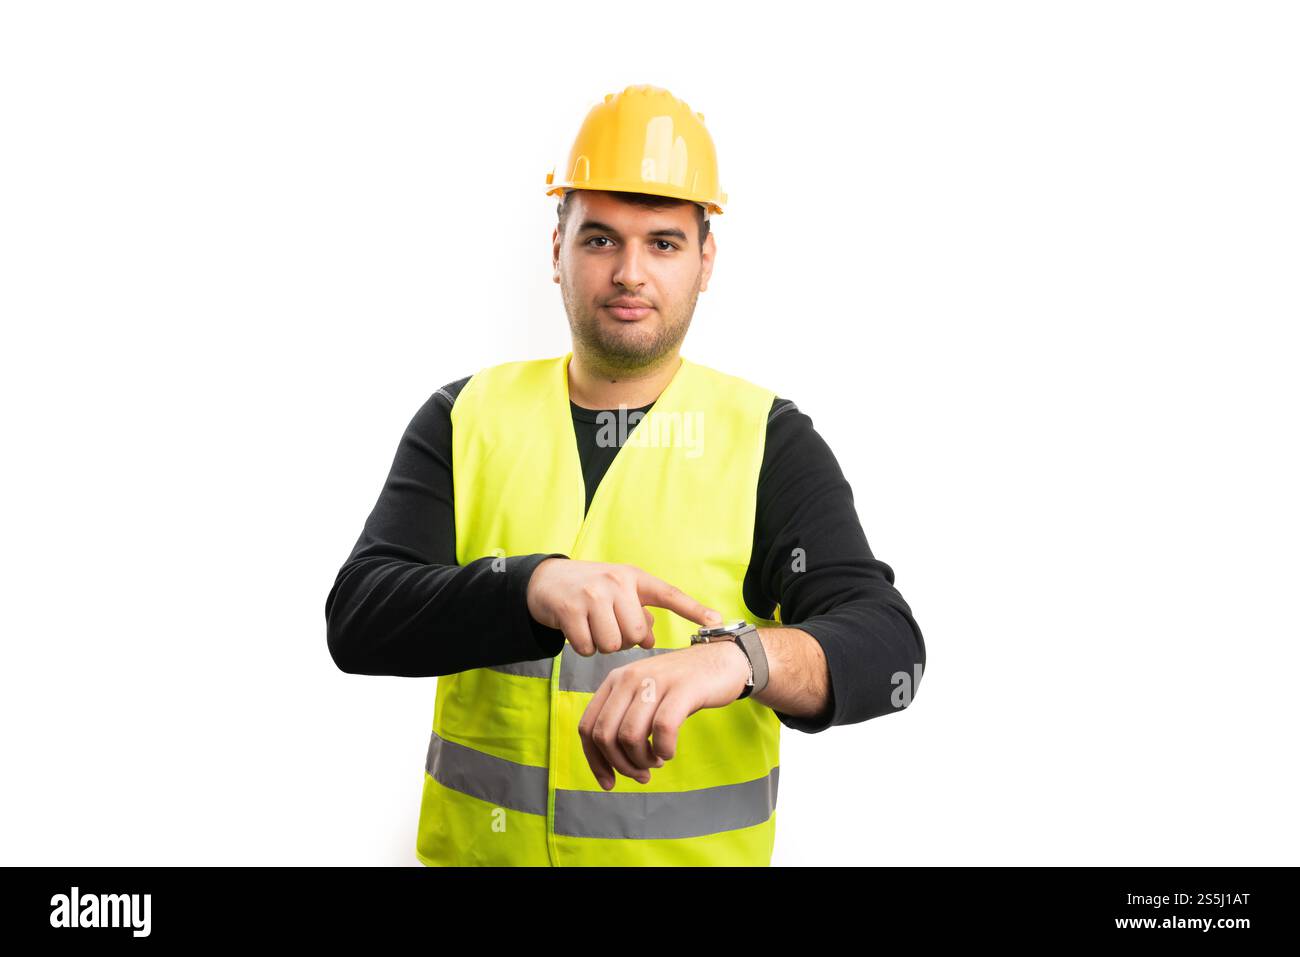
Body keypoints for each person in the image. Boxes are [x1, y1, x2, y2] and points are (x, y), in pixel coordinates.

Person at [325, 84, 926, 866]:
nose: (629, 272)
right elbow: (358, 618)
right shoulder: (463, 416)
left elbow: (887, 645)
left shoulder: (768, 440)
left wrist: (738, 658)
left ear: (706, 260)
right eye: (600, 239)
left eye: (665, 243)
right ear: (556, 250)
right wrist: (529, 585)